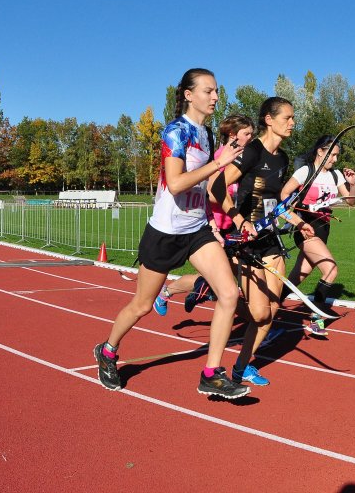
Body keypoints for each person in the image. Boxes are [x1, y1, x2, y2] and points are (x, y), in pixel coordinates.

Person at [93, 68, 249, 399]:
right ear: (189, 95)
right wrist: (218, 163)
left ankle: (211, 374)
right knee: (142, 306)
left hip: (196, 230)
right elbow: (176, 183)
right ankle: (107, 350)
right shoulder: (175, 131)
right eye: (208, 91)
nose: (215, 97)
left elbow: (203, 185)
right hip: (165, 232)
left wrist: (210, 220)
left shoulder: (206, 134)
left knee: (229, 294)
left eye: (217, 91)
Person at [211, 97, 315, 386]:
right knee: (258, 313)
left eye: (293, 118)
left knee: (271, 311)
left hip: (271, 240)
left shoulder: (282, 158)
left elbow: (277, 203)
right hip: (248, 242)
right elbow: (215, 187)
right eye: (287, 117)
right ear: (269, 120)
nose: (292, 122)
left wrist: (298, 221)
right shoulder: (252, 152)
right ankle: (215, 291)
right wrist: (239, 220)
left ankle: (241, 367)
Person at [152, 114, 255, 315]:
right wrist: (232, 203)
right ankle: (168, 291)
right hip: (213, 226)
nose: (250, 138)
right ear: (233, 135)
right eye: (246, 134)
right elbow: (211, 193)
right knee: (221, 280)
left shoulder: (240, 159)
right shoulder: (220, 157)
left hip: (230, 226)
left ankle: (256, 321)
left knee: (231, 277)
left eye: (252, 133)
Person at [278, 135, 355, 337]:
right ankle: (317, 320)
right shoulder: (306, 171)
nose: (335, 160)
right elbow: (283, 195)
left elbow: (351, 202)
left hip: (323, 230)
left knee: (298, 276)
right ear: (320, 151)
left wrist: (352, 183)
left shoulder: (336, 175)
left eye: (337, 155)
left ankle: (270, 302)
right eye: (332, 155)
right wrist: (297, 212)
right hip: (306, 229)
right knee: (330, 269)